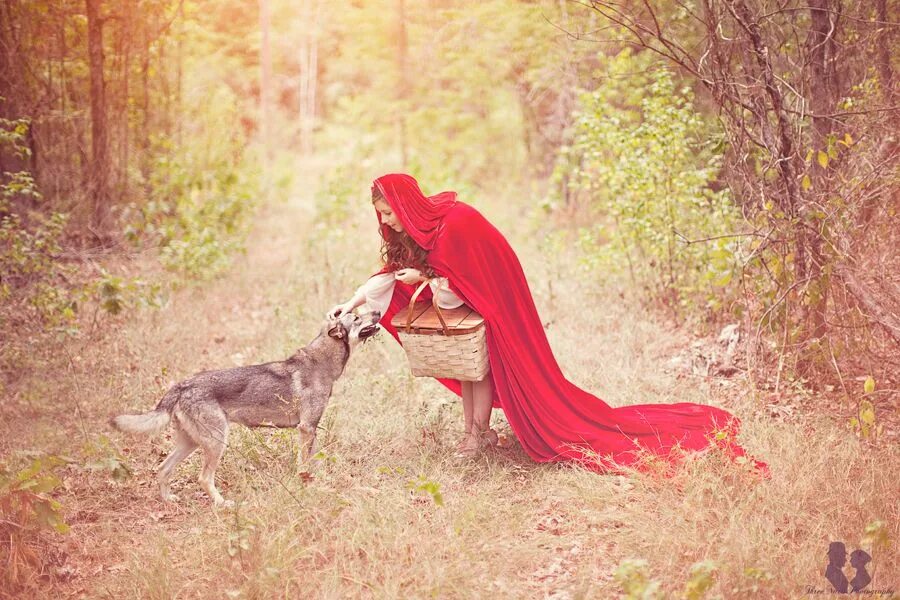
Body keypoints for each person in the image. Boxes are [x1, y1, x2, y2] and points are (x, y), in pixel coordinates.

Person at [328, 173, 770, 478]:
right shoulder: (421, 229)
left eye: (388, 213)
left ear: (404, 204)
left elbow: (464, 275)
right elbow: (389, 272)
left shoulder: (454, 225)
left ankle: (477, 434)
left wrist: (425, 278)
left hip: (491, 302)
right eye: (381, 215)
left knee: (486, 364)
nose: (385, 222)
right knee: (474, 364)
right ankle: (476, 434)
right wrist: (352, 302)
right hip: (467, 304)